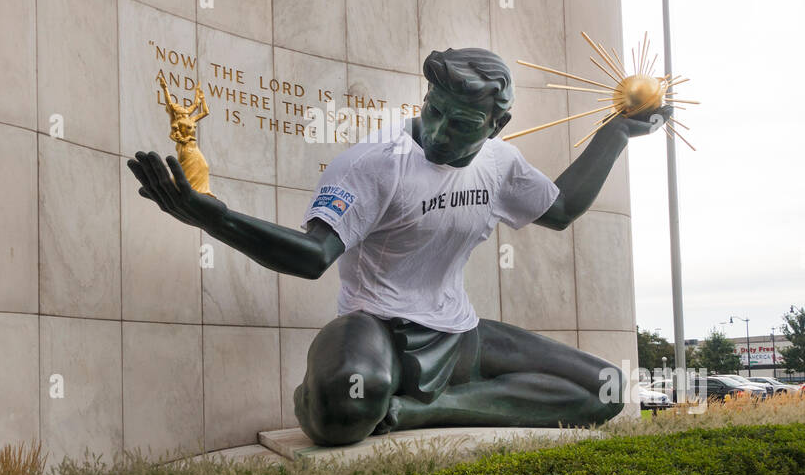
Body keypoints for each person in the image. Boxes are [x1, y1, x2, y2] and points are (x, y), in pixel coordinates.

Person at [128, 47, 670, 446]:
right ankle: (325, 393)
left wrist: (616, 134)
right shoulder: (373, 164)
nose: (436, 132)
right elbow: (313, 256)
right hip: (374, 326)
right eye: (432, 110)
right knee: (346, 408)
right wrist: (216, 220)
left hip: (458, 335)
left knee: (603, 388)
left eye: (460, 124)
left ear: (497, 123)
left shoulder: (501, 164)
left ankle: (422, 411)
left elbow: (562, 210)